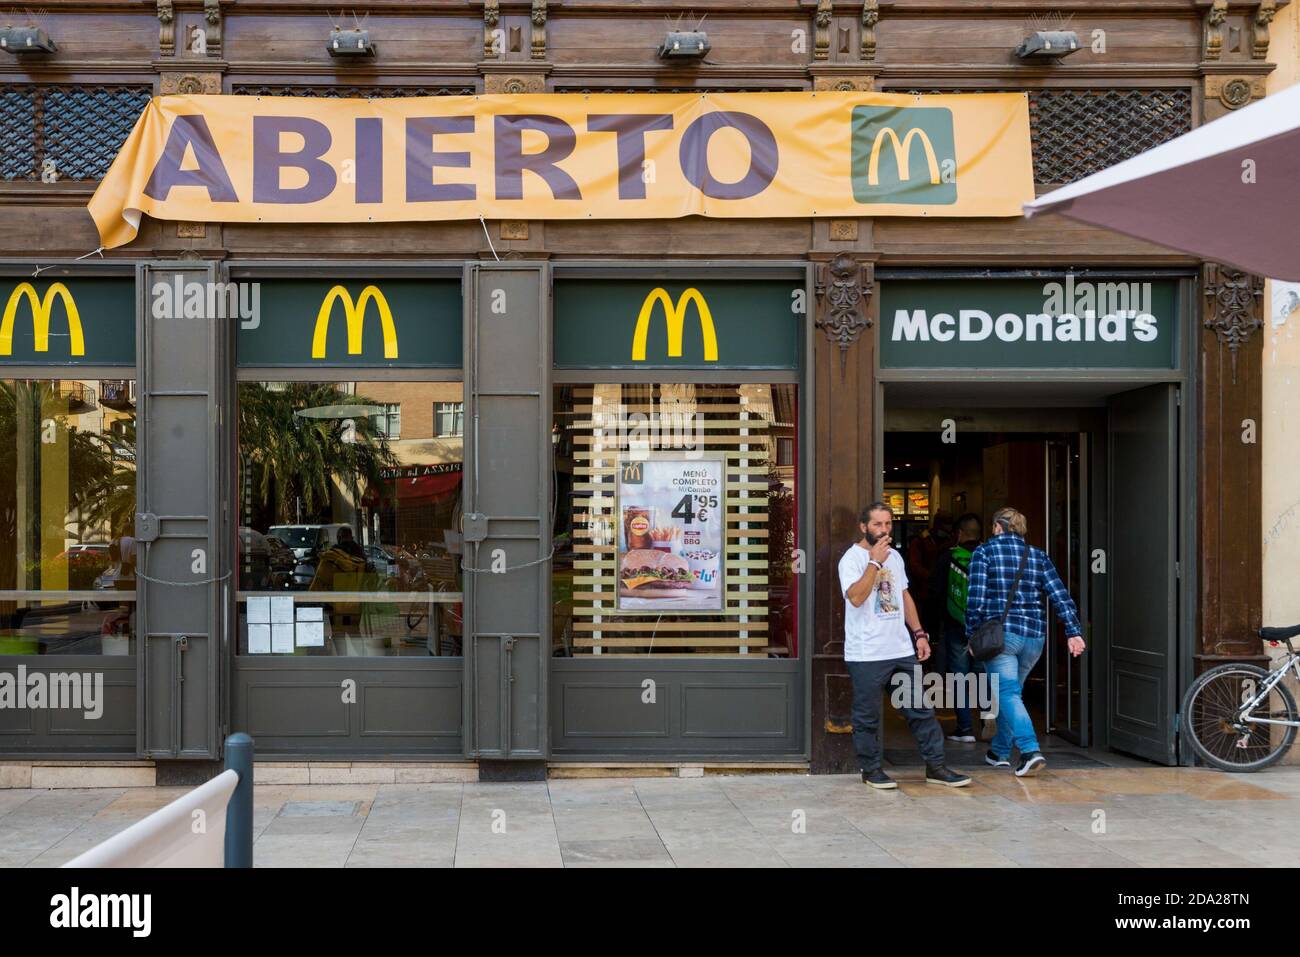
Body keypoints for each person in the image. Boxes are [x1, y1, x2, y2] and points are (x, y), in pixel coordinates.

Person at [839, 502, 972, 790]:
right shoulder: (851, 559)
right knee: (868, 716)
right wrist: (874, 562)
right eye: (877, 524)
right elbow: (857, 598)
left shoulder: (896, 557)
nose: (884, 529)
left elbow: (903, 595)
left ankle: (936, 767)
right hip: (867, 653)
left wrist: (919, 633)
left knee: (920, 711)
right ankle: (871, 770)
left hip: (900, 650)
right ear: (864, 527)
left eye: (887, 524)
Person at [965, 506, 1086, 777]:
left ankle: (1030, 751)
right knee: (1012, 694)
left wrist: (972, 634)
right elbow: (1060, 596)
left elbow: (976, 600)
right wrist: (1073, 631)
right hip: (1034, 637)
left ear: (998, 526)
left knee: (1007, 694)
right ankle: (999, 752)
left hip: (1001, 637)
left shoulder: (983, 553)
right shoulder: (1037, 556)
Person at [926, 512, 983, 743]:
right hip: (983, 627)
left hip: (955, 625)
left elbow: (935, 592)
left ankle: (965, 728)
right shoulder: (987, 556)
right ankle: (988, 716)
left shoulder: (947, 558)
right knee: (982, 674)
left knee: (959, 676)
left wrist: (930, 626)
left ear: (959, 534)